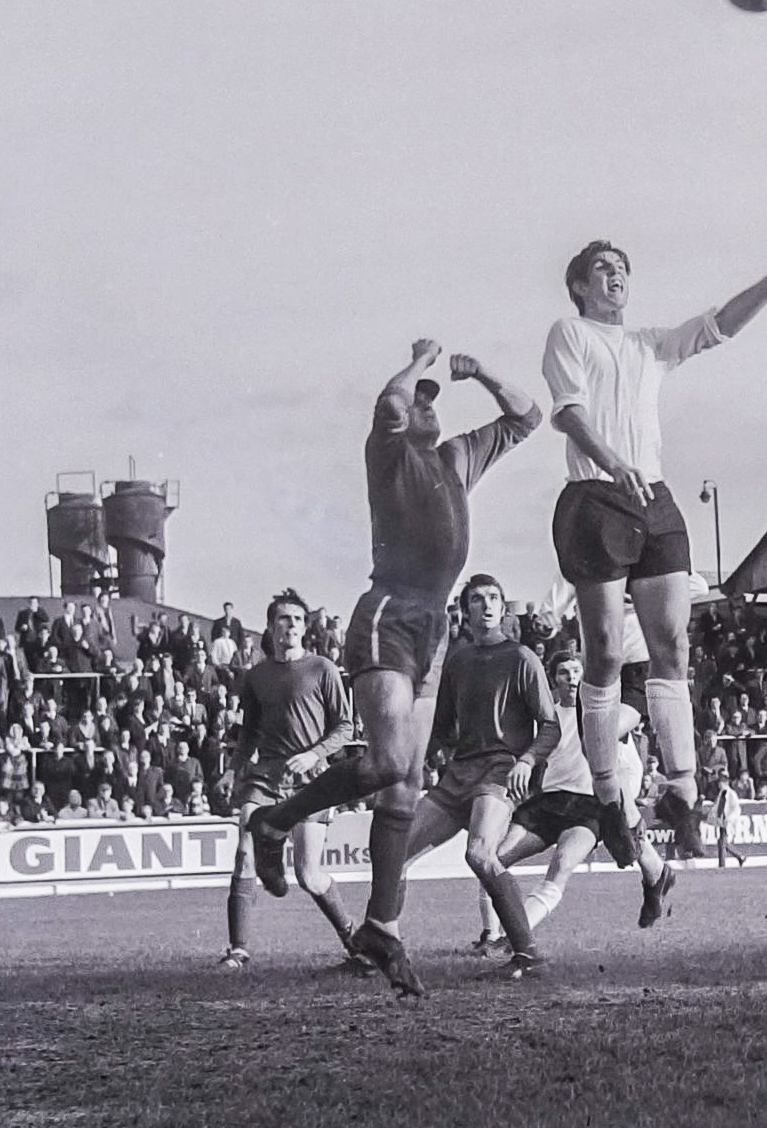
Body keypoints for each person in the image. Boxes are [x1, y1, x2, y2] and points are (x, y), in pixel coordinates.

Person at [542, 235, 767, 920]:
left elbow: (720, 326)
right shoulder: (570, 333)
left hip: (654, 497)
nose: (615, 276)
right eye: (601, 270)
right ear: (581, 287)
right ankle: (610, 795)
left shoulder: (649, 344)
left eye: (622, 268)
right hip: (597, 494)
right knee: (607, 653)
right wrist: (613, 461)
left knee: (673, 649)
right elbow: (570, 413)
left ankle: (683, 791)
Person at [245, 340, 539, 994]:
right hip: (388, 615)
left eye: (433, 403)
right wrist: (420, 364)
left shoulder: (458, 458)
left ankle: (382, 927)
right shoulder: (388, 453)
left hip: (433, 629)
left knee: (402, 781)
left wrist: (484, 371)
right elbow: (387, 403)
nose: (425, 409)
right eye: (418, 403)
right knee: (383, 765)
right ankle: (276, 820)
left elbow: (527, 418)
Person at [392, 574, 562, 988]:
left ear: (503, 609)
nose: (485, 605)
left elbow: (550, 727)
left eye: (493, 599)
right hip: (459, 772)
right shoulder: (459, 660)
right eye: (476, 600)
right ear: (464, 610)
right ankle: (385, 950)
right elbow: (443, 728)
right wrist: (410, 759)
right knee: (393, 853)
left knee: (481, 855)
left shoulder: (522, 658)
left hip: (500, 770)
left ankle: (528, 954)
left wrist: (526, 760)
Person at [474, 644, 650, 949]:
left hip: (587, 806)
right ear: (553, 680)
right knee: (491, 860)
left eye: (576, 672)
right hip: (548, 803)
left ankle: (511, 937)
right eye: (563, 673)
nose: (570, 678)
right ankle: (490, 934)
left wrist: (626, 806)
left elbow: (630, 763)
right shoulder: (545, 719)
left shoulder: (606, 716)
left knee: (562, 864)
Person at [220, 589, 358, 972]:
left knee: (310, 875)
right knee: (244, 851)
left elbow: (345, 726)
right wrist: (234, 768)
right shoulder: (257, 676)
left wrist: (315, 753)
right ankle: (238, 950)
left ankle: (354, 942)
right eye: (284, 619)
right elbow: (248, 732)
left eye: (297, 619)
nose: (291, 625)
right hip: (265, 776)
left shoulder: (323, 669)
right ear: (271, 626)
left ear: (305, 628)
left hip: (312, 780)